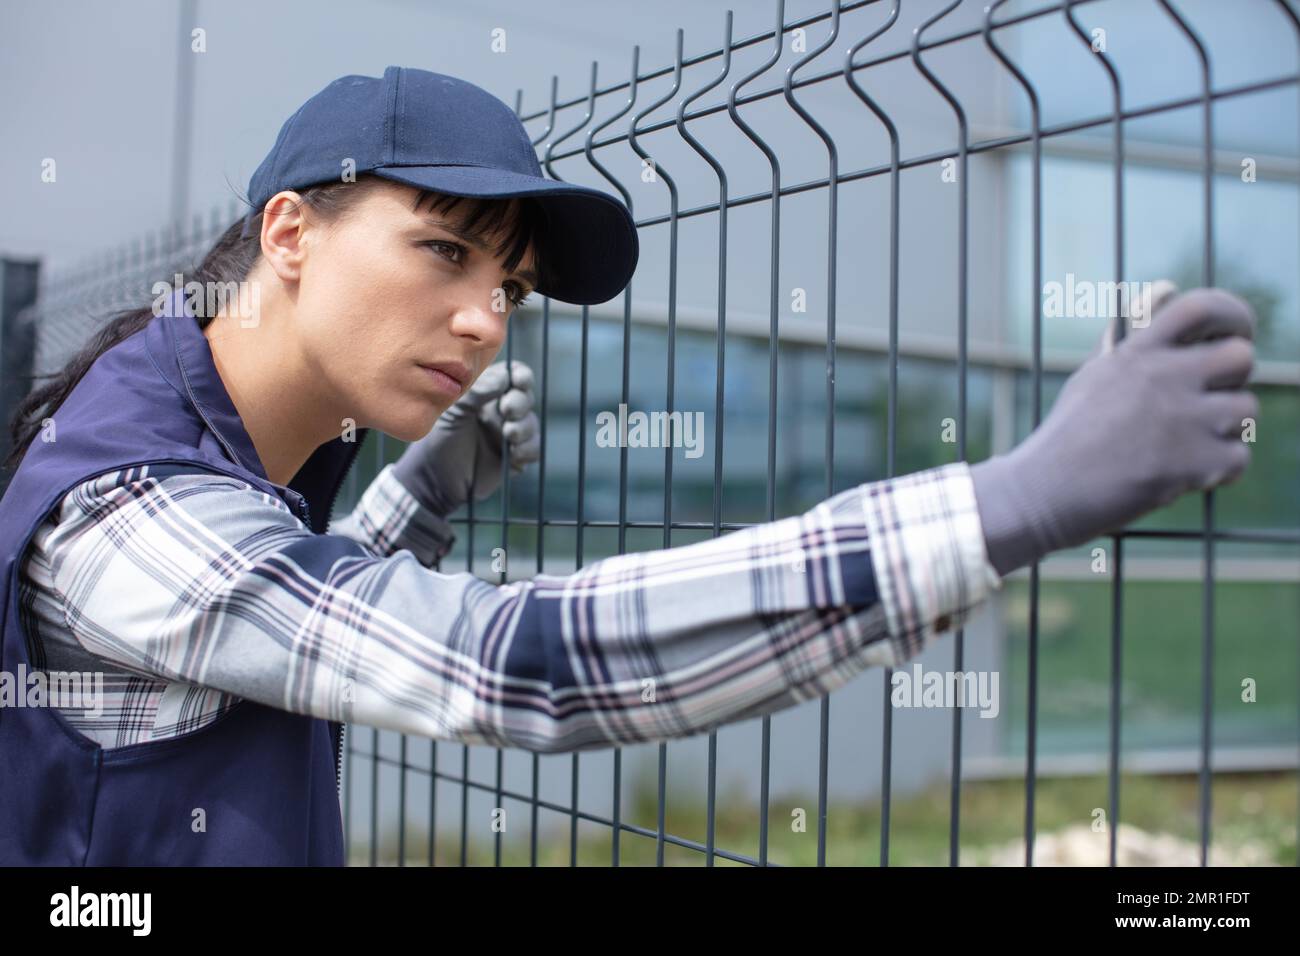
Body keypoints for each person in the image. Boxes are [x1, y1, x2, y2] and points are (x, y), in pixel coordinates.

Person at [0, 67, 1257, 866]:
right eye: (445, 251)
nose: (488, 318)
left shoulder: (199, 440)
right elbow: (500, 663)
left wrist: (419, 500)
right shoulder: (132, 504)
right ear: (289, 231)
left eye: (509, 285)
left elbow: (265, 645)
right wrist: (1009, 501)